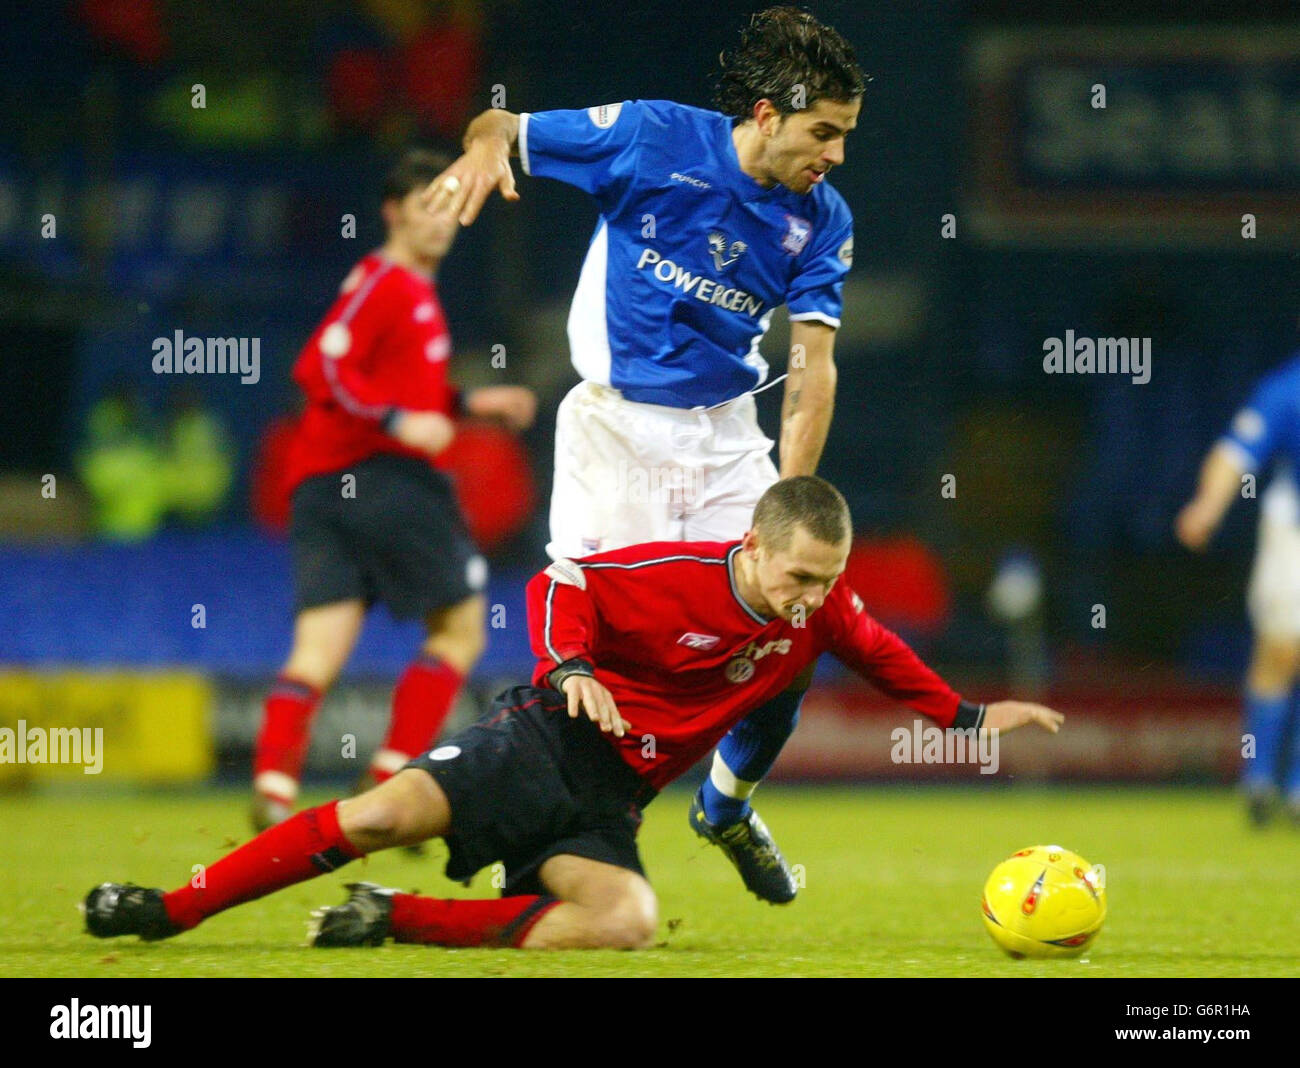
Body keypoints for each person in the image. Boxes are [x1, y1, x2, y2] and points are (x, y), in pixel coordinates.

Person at [85, 476, 1063, 950]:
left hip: (608, 803)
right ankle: (170, 910)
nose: (814, 598)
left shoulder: (824, 615)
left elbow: (886, 657)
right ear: (757, 548)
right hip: (542, 743)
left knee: (627, 919)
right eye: (801, 576)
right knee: (378, 816)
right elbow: (564, 586)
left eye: (829, 580)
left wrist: (969, 717)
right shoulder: (672, 575)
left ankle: (391, 919)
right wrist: (568, 667)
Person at [420, 6, 864, 902]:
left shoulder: (822, 218)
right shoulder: (653, 136)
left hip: (728, 432)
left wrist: (795, 496)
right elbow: (501, 125)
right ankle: (541, 847)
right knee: (590, 647)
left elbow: (813, 370)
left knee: (799, 619)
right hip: (614, 429)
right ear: (770, 115)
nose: (837, 155)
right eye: (825, 132)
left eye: (848, 136)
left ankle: (728, 804)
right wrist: (482, 149)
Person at [250, 148, 537, 830]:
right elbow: (318, 366)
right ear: (392, 213)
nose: (441, 221)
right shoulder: (389, 281)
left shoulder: (400, 289)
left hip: (324, 486)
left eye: (449, 207)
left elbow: (394, 385)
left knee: (318, 647)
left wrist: (468, 403)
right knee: (461, 631)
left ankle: (273, 783)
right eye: (425, 206)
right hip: (387, 482)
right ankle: (394, 779)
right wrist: (396, 420)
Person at [1175, 348, 1300, 824]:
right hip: (1294, 529)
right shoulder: (1286, 389)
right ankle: (1260, 780)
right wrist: (1207, 506)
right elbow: (1235, 453)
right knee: (1282, 650)